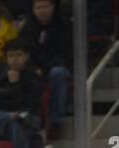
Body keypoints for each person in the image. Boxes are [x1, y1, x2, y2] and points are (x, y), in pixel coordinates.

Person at [18, 0, 72, 130]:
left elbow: (66, 53)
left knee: (57, 74)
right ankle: (28, 118)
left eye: (45, 7)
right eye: (38, 7)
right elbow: (22, 50)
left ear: (52, 7)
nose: (42, 10)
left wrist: (44, 69)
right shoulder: (27, 28)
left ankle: (55, 120)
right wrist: (32, 68)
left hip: (59, 66)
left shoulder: (64, 25)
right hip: (34, 68)